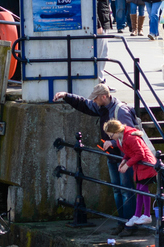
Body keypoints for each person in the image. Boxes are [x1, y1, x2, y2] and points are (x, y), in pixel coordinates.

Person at [53, 84, 138, 221]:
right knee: (117, 190)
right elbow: (84, 104)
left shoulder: (121, 111)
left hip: (124, 157)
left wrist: (114, 142)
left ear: (104, 97)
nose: (94, 101)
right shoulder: (102, 107)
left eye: (96, 98)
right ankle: (122, 222)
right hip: (112, 156)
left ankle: (129, 222)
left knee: (126, 190)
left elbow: (132, 135)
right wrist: (66, 96)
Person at [104, 119, 157, 228]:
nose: (110, 137)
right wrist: (124, 161)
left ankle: (147, 214)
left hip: (146, 165)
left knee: (144, 190)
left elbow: (140, 154)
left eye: (111, 134)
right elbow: (129, 152)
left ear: (117, 131)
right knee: (139, 190)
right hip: (139, 166)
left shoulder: (130, 137)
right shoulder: (120, 140)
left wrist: (127, 165)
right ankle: (137, 214)